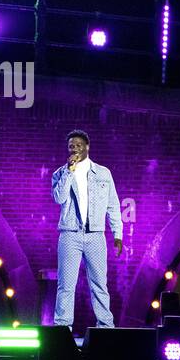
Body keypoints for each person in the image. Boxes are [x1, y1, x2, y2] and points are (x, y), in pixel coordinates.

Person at [50, 129, 123, 330]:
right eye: (71, 146)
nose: (75, 149)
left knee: (99, 284)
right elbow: (59, 198)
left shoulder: (103, 173)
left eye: (78, 145)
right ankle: (62, 328)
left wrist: (117, 234)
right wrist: (68, 172)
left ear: (87, 147)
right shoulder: (59, 173)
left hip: (95, 236)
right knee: (65, 285)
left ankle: (106, 327)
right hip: (69, 234)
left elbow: (113, 205)